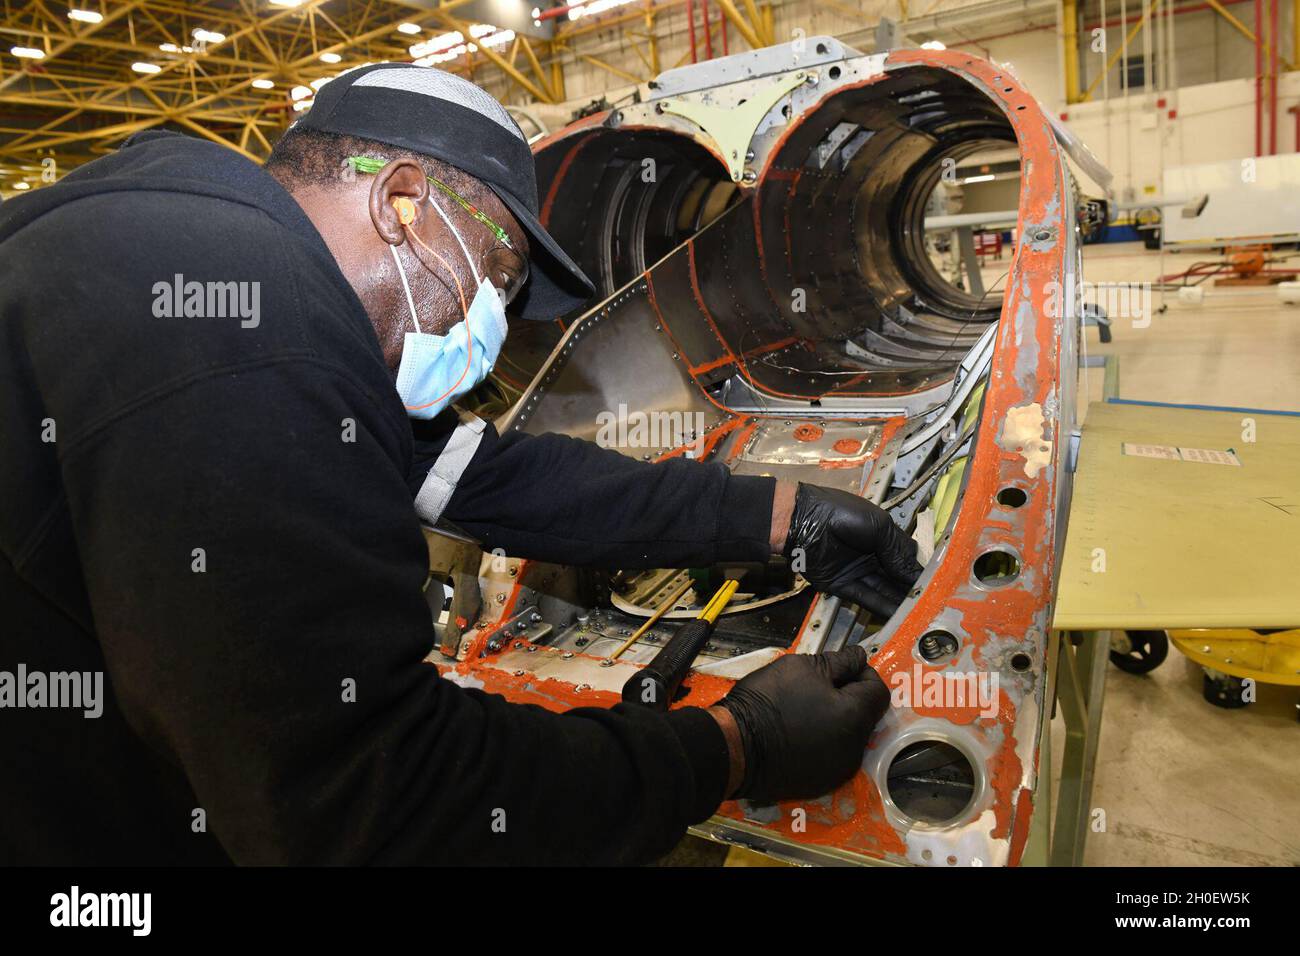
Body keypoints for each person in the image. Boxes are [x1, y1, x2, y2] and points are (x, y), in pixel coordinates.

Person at [0, 64, 920, 865]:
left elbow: (501, 481)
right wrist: (737, 743)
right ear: (401, 203)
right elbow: (376, 803)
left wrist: (780, 514)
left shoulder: (175, 247)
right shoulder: (251, 334)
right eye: (500, 274)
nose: (492, 324)